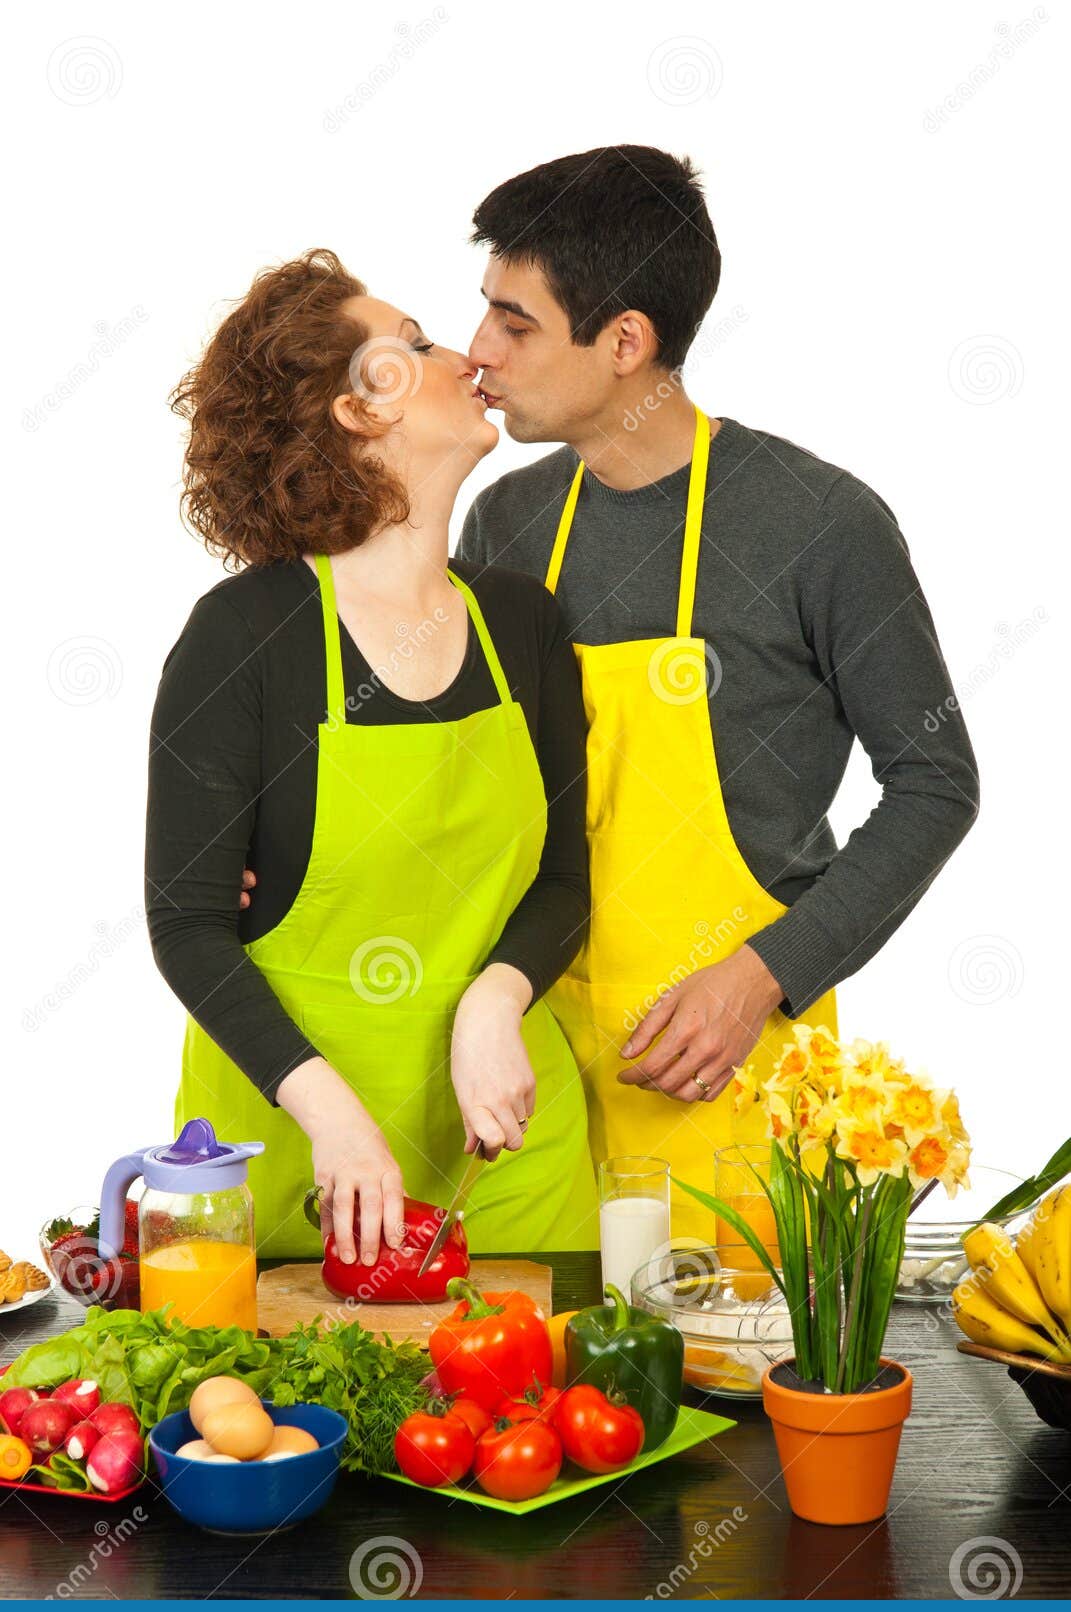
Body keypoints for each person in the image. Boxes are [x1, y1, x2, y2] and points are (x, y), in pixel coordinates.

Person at [457, 146, 980, 1239]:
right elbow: (460, 776)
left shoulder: (820, 525)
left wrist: (764, 975)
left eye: (516, 324)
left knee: (723, 1397)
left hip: (731, 1087)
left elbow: (936, 782)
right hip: (524, 1078)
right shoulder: (503, 525)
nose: (478, 354)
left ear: (626, 342)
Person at [145, 249, 598, 1265]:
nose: (466, 359)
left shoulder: (521, 623)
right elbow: (188, 922)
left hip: (512, 1160)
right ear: (362, 410)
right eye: (420, 345)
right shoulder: (243, 638)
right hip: (307, 1168)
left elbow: (564, 879)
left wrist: (498, 997)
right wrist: (334, 1120)